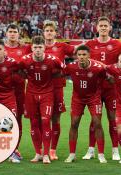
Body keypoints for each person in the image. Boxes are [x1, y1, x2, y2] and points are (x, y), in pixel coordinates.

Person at [84, 16, 121, 160]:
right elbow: (82, 60)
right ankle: (91, 150)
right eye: (101, 25)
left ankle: (115, 150)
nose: (103, 28)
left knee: (112, 119)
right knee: (95, 120)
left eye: (105, 26)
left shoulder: (118, 45)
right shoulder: (89, 44)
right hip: (94, 88)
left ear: (110, 28)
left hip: (111, 88)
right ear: (96, 28)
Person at [21, 36, 63, 164]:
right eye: (35, 47)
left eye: (40, 47)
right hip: (31, 94)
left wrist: (53, 76)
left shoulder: (53, 60)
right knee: (34, 123)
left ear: (44, 48)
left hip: (47, 94)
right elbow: (18, 71)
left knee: (45, 122)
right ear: (31, 48)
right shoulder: (25, 60)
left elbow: (63, 70)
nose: (38, 50)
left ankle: (46, 154)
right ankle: (38, 153)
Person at [64, 45, 107, 163]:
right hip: (77, 98)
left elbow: (107, 78)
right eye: (79, 55)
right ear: (76, 56)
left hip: (94, 98)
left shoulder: (98, 68)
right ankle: (72, 154)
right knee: (74, 123)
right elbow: (60, 74)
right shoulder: (71, 67)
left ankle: (101, 154)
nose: (81, 57)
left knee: (97, 123)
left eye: (84, 55)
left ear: (89, 55)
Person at [43, 20, 75, 160]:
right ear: (43, 33)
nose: (49, 33)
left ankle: (53, 150)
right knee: (43, 119)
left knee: (55, 118)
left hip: (57, 87)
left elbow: (79, 53)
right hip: (41, 88)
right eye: (47, 30)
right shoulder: (37, 47)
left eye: (51, 30)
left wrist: (69, 70)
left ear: (55, 32)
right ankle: (42, 149)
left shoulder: (62, 46)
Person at [4, 24, 32, 160]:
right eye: (10, 32)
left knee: (18, 118)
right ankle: (3, 147)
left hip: (20, 90)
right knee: (1, 118)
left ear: (18, 34)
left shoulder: (25, 48)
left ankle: (15, 149)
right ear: (6, 33)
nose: (13, 34)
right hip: (2, 90)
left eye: (15, 32)